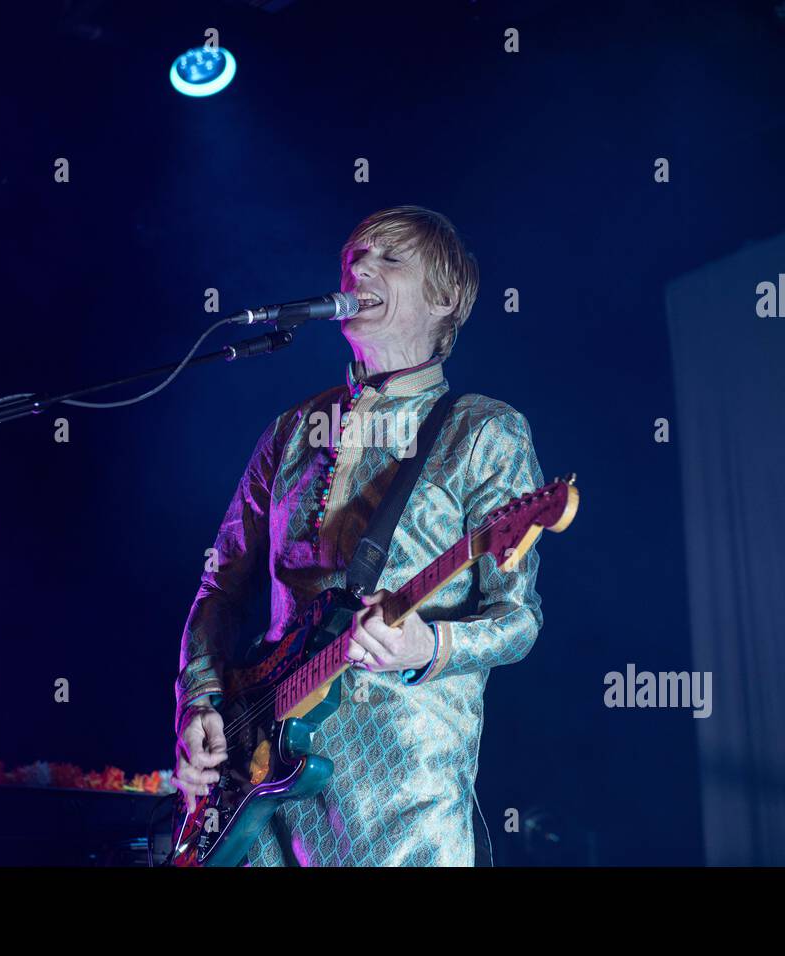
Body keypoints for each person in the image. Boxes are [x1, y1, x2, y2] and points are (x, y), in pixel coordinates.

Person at [174, 205, 544, 865]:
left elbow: (518, 620)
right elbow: (220, 587)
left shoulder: (484, 430)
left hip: (403, 799)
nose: (360, 267)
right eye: (353, 257)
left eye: (389, 258)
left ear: (447, 297)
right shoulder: (292, 430)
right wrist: (200, 700)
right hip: (262, 788)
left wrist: (428, 642)